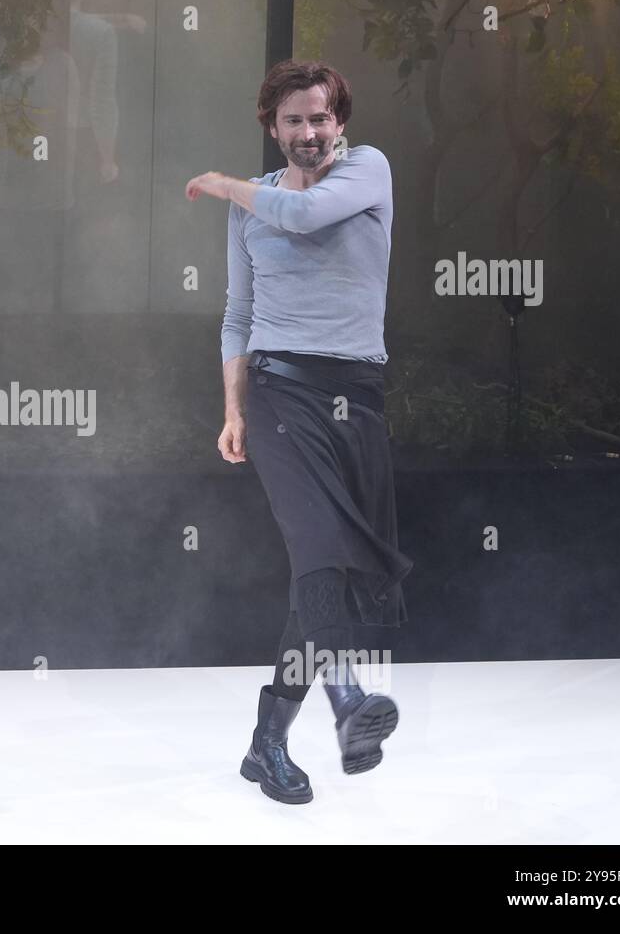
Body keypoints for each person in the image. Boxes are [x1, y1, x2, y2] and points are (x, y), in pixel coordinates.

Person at [186, 60, 411, 804]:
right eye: (293, 121)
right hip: (281, 392)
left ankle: (266, 746)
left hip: (357, 397)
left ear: (338, 122)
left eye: (320, 118)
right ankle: (347, 698)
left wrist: (221, 182)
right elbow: (237, 316)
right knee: (316, 544)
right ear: (273, 127)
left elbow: (304, 217)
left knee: (322, 582)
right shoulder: (254, 203)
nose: (308, 132)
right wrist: (234, 408)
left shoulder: (366, 172)